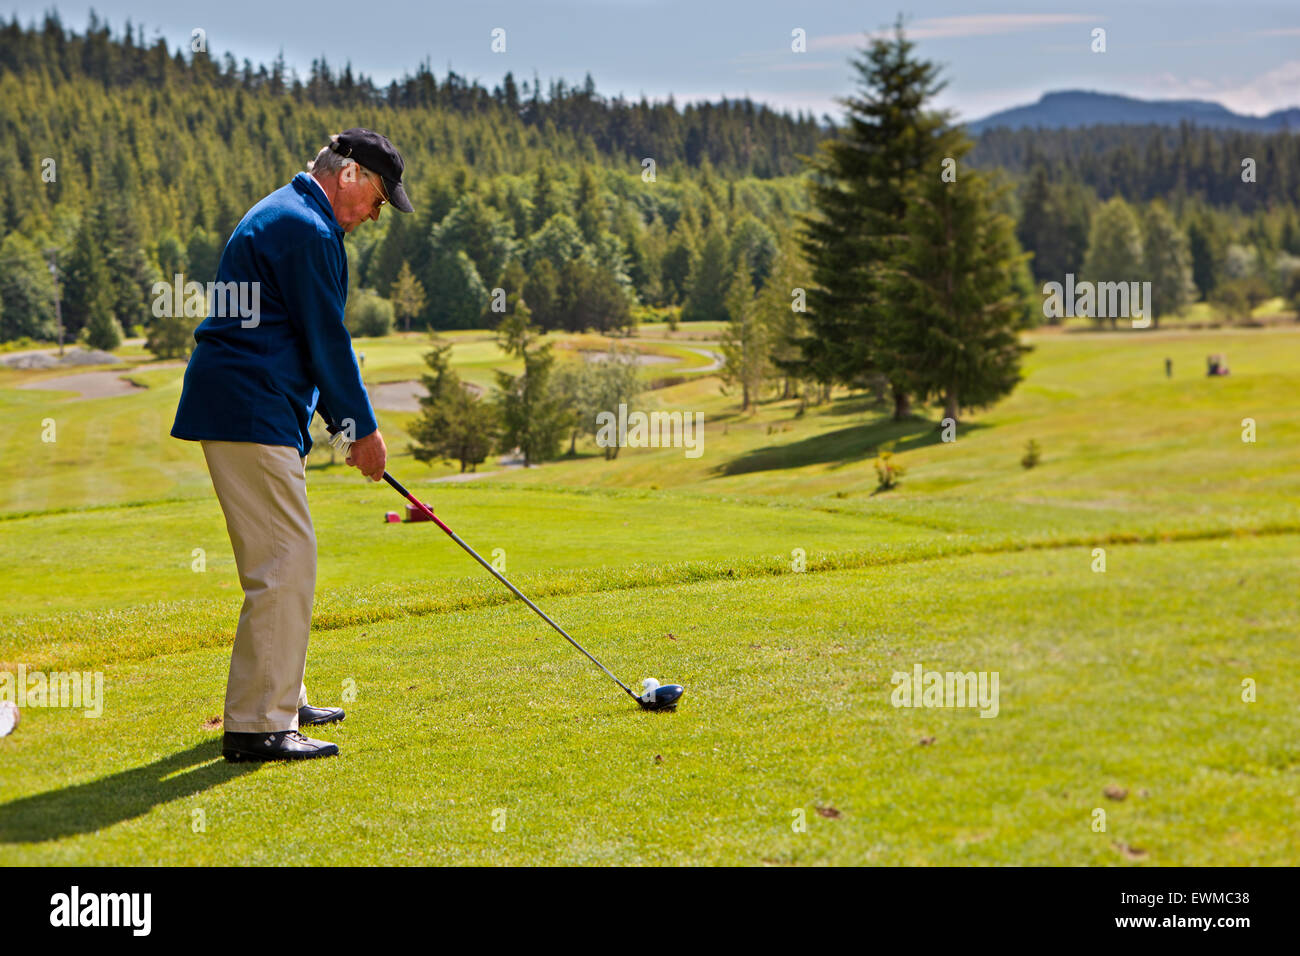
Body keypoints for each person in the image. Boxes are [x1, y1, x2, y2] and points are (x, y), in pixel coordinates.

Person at [170, 129, 414, 761]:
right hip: (249, 410)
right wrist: (361, 431)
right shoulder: (308, 228)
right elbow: (326, 340)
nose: (374, 215)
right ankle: (258, 725)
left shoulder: (291, 210)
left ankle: (283, 696)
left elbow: (307, 338)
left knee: (284, 558)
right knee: (284, 562)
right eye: (378, 200)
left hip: (251, 408)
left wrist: (344, 426)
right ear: (351, 176)